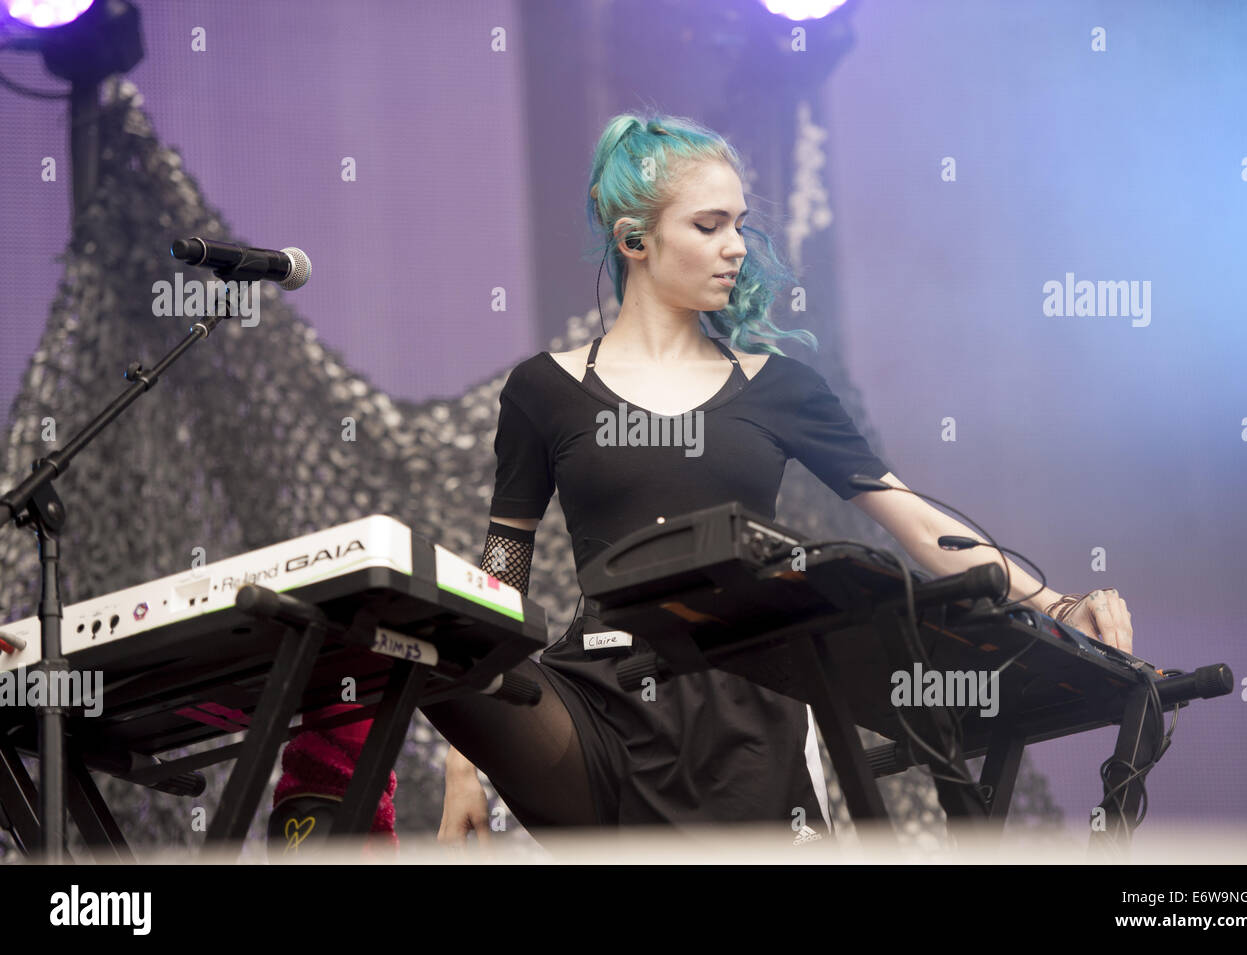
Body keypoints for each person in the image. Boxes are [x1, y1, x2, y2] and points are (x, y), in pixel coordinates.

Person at [268, 113, 1134, 854]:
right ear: (635, 238)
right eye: (710, 225)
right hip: (592, 700)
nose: (735, 248)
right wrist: (467, 757)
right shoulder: (541, 389)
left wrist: (1053, 603)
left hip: (749, 708)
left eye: (740, 226)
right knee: (395, 635)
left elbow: (911, 519)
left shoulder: (780, 385)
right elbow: (503, 569)